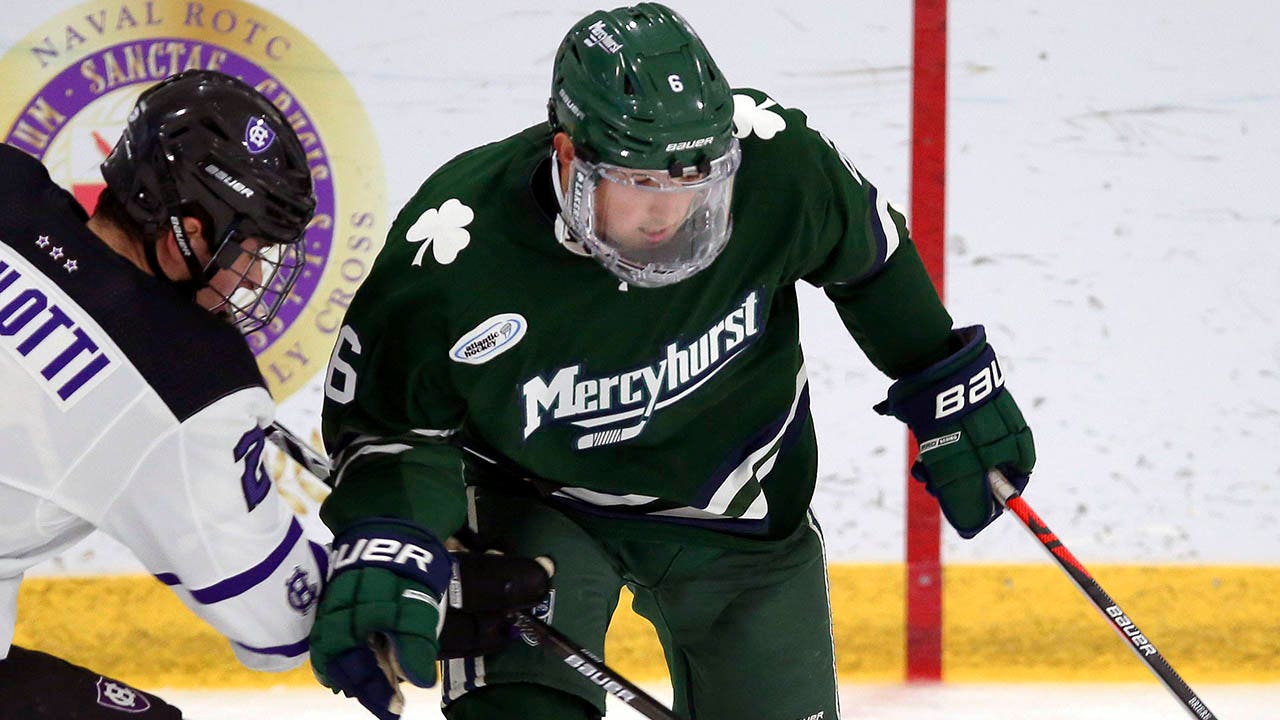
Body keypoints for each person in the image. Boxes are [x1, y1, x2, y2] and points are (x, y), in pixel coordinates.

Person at [311, 4, 1036, 719]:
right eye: (641, 186)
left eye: (694, 186)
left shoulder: (776, 160)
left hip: (742, 501)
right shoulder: (451, 253)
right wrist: (393, 537)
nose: (668, 216)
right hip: (534, 510)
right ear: (568, 156)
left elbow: (867, 260)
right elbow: (389, 428)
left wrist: (944, 378)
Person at [0, 69, 324, 718]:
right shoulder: (187, 384)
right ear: (188, 229)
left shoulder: (8, 181)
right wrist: (400, 581)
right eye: (250, 247)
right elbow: (278, 623)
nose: (252, 275)